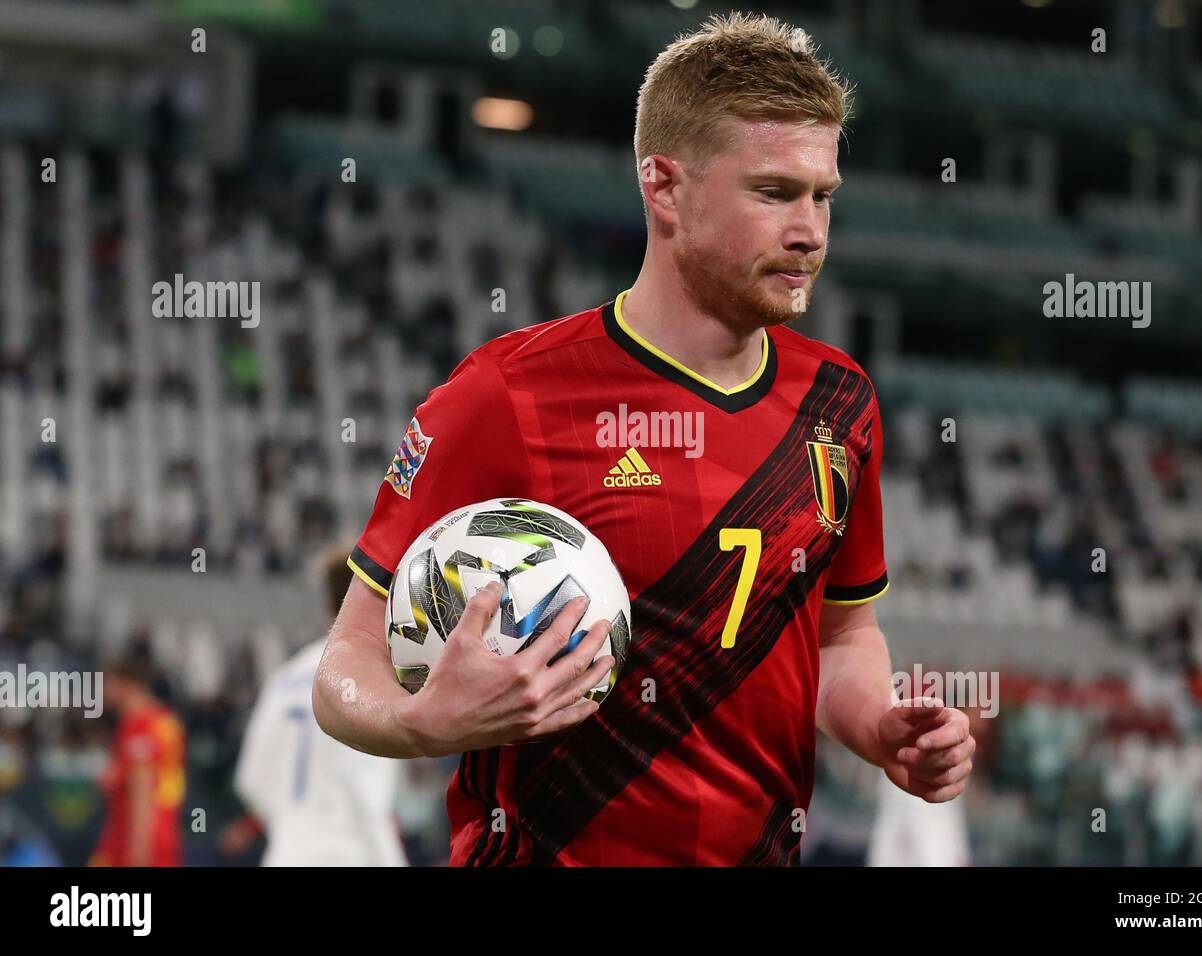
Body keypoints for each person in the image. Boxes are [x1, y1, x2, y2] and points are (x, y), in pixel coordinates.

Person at [314, 12, 975, 866]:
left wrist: (882, 727)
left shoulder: (840, 405)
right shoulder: (508, 394)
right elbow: (349, 661)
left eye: (823, 196)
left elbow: (843, 638)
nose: (809, 230)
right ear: (663, 187)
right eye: (773, 192)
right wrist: (418, 721)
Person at [228, 546, 406, 866]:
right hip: (350, 854)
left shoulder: (284, 678)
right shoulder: (369, 677)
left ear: (327, 602)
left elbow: (250, 779)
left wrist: (292, 830)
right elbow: (365, 791)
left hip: (286, 854)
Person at [90, 649, 186, 866]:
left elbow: (143, 786)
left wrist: (138, 847)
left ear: (124, 684)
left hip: (132, 837)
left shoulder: (139, 727)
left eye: (106, 683)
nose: (102, 691)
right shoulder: (166, 721)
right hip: (164, 833)